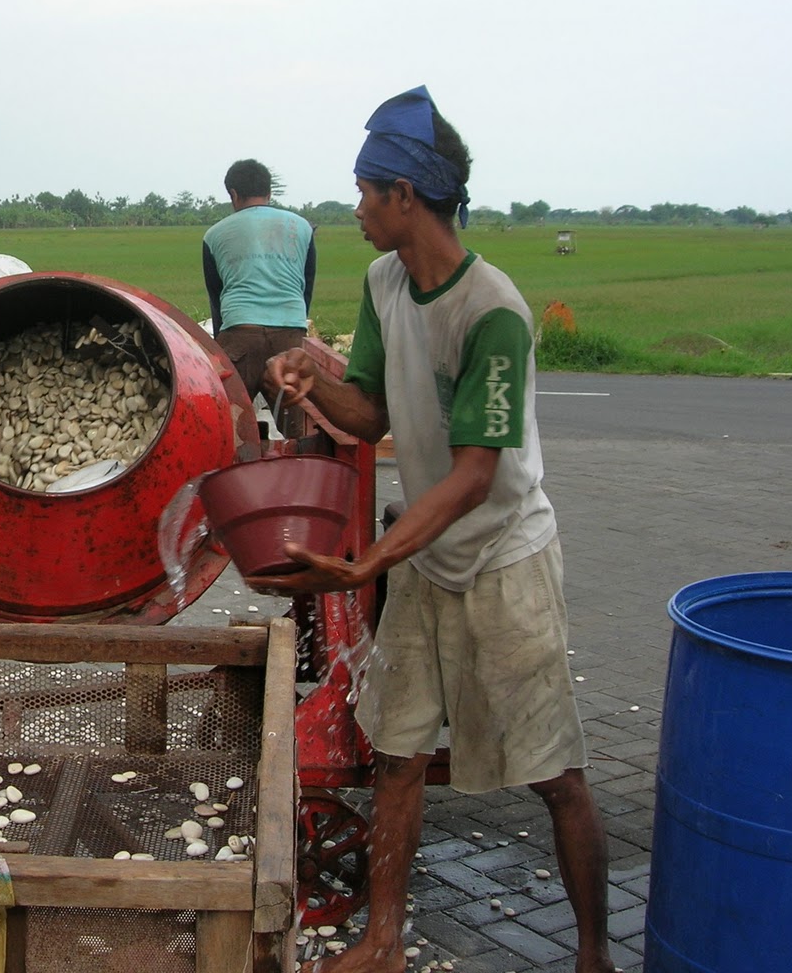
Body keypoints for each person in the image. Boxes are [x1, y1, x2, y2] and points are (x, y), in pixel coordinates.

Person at [260, 87, 616, 973]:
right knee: (398, 755)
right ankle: (382, 943)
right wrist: (313, 378)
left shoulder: (492, 310)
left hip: (502, 560)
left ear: (405, 196)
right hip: (421, 559)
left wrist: (368, 561)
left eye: (364, 192)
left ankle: (594, 952)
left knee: (554, 773)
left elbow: (473, 474)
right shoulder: (386, 283)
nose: (355, 210)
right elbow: (371, 411)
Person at [201, 158, 316, 435]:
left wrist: (223, 346)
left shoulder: (214, 235)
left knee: (229, 432)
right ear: (269, 192)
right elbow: (306, 285)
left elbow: (216, 297)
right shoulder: (301, 227)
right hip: (290, 336)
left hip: (239, 334)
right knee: (295, 432)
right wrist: (295, 327)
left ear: (233, 194)